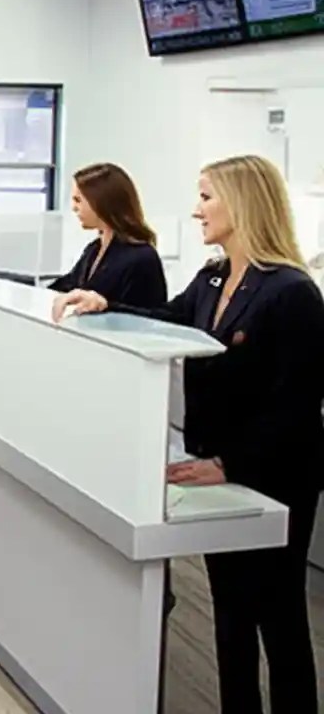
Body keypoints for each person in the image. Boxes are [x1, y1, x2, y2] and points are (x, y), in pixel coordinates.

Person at [54, 154, 323, 714]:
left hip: (273, 475)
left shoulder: (293, 293)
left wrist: (228, 464)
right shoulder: (213, 276)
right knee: (229, 611)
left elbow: (296, 407)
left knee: (278, 612)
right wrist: (106, 303)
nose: (195, 209)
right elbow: (166, 319)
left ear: (242, 203)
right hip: (218, 468)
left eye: (206, 197)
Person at [47, 162, 167, 309]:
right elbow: (67, 285)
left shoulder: (142, 258)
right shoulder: (93, 249)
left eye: (78, 200)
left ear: (101, 202)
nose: (74, 207)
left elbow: (146, 315)